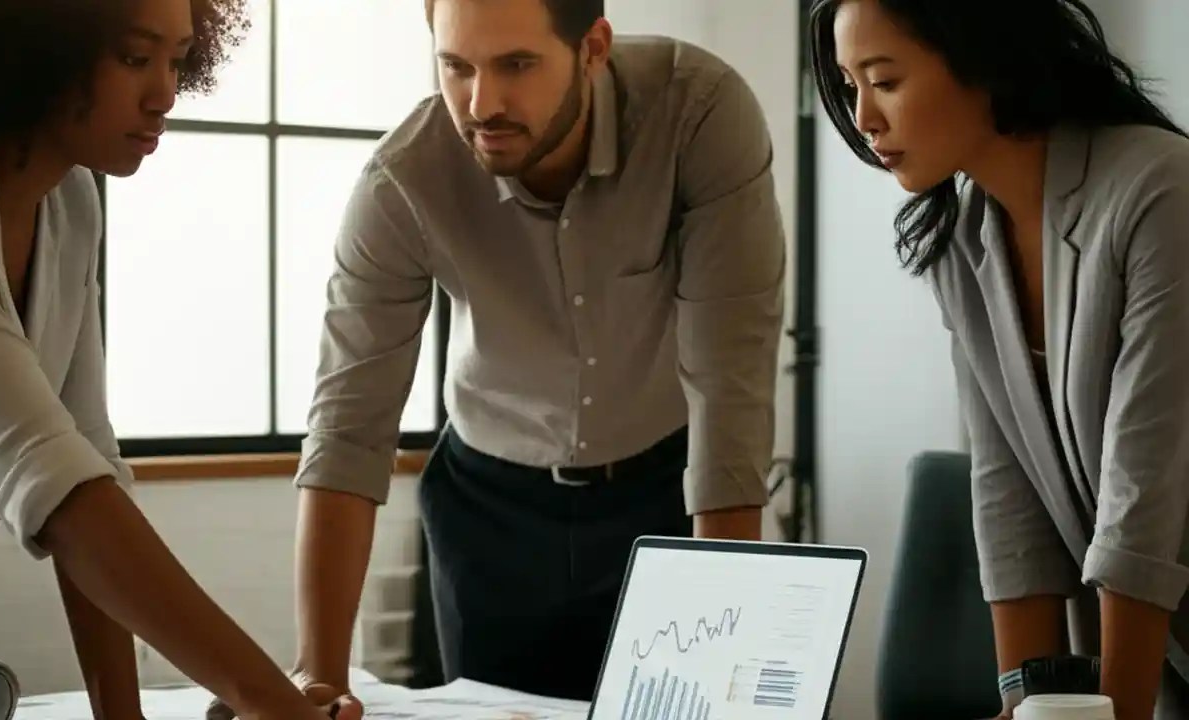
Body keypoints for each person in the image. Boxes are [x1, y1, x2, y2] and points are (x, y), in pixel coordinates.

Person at [286, 0, 785, 706]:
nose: (481, 103)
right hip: (490, 511)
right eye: (455, 67)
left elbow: (730, 381)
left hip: (667, 495)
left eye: (516, 65)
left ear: (593, 48)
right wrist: (320, 676)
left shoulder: (697, 114)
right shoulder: (402, 179)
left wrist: (725, 650)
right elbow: (346, 429)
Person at [0, 2, 339, 719]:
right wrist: (267, 699)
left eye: (176, 60)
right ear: (37, 50)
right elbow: (58, 490)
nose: (166, 93)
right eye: (137, 59)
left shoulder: (70, 204)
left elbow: (87, 461)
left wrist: (124, 715)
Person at [810, 0, 1189, 718]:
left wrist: (1113, 713)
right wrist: (1025, 704)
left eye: (884, 81)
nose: (863, 118)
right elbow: (1007, 495)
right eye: (849, 84)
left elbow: (1146, 493)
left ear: (985, 63)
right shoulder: (961, 242)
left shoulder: (1159, 190)